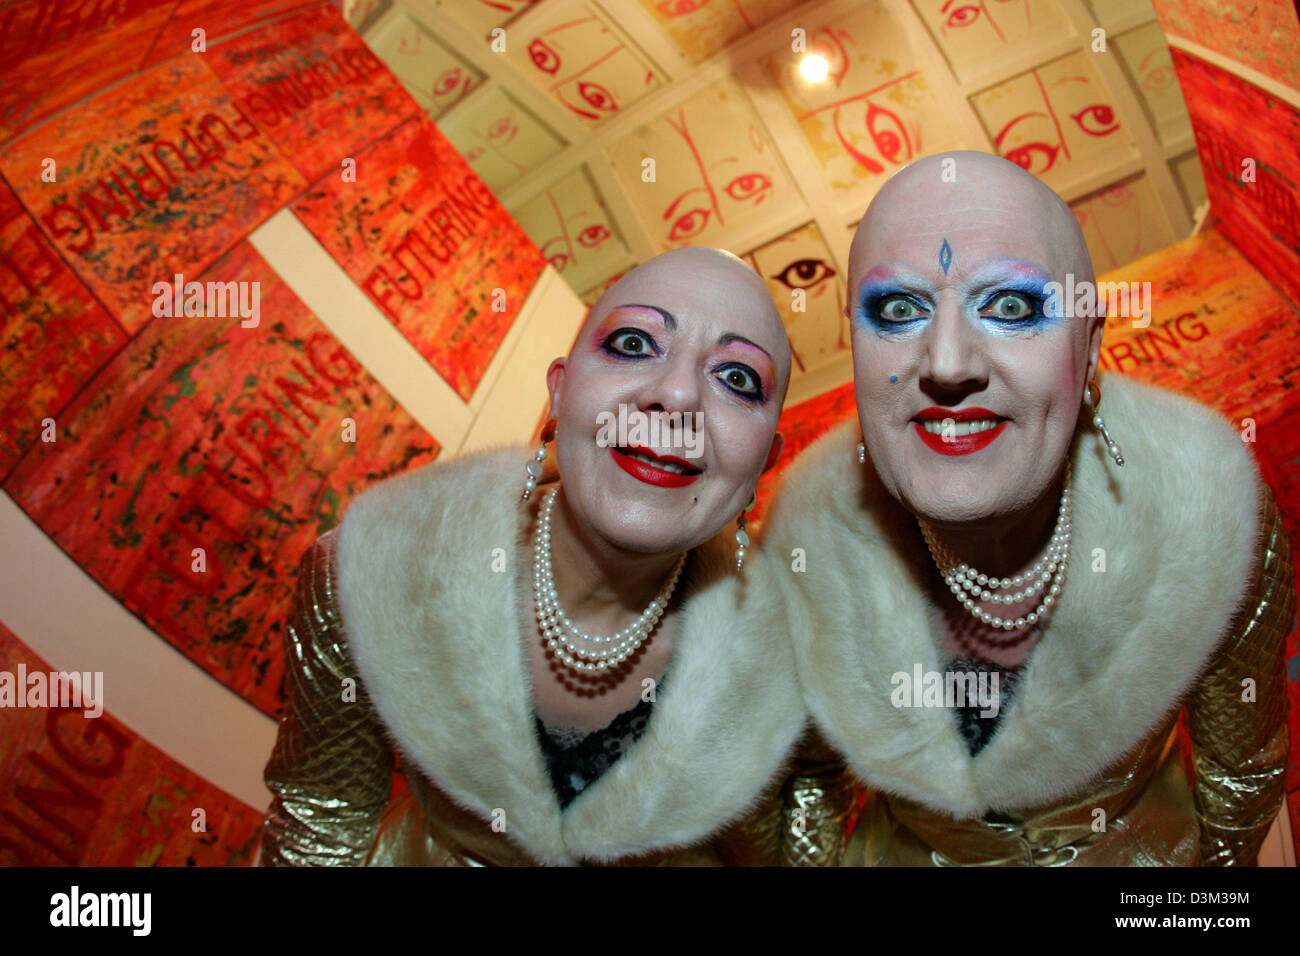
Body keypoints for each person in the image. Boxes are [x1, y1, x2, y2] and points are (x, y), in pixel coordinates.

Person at [764, 151, 1293, 866]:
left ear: (1090, 346)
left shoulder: (1212, 522)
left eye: (1012, 306)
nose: (947, 363)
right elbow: (804, 786)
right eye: (897, 309)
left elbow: (1243, 770)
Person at [259, 246, 813, 866]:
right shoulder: (373, 578)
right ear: (560, 391)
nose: (677, 396)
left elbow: (772, 843)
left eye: (737, 378)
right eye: (634, 344)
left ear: (766, 459)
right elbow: (321, 818)